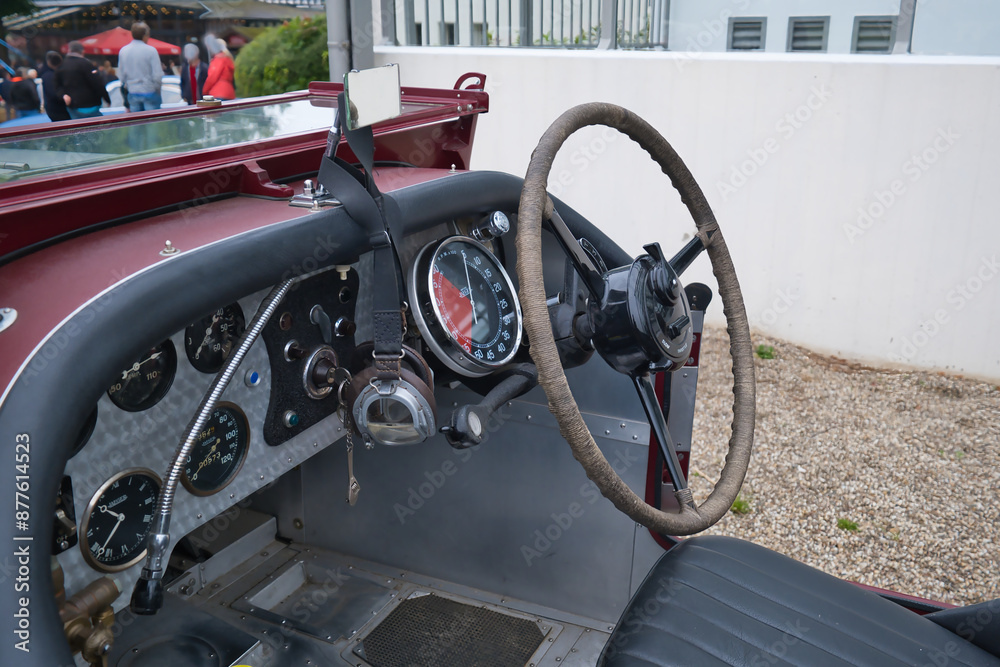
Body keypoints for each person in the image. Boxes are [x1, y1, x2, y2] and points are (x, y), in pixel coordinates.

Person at [55, 41, 110, 119]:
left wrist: (63, 95)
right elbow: (97, 84)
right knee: (96, 124)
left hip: (73, 104)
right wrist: (107, 99)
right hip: (91, 104)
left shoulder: (61, 66)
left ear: (69, 50)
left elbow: (57, 85)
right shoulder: (86, 64)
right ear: (82, 51)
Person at [117, 22, 163, 112]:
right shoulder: (151, 51)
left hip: (133, 91)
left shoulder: (123, 51)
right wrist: (157, 89)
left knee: (137, 120)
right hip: (149, 90)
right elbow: (157, 75)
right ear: (145, 35)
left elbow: (121, 76)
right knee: (153, 120)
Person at [39, 52, 70, 121]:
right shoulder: (66, 72)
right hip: (67, 107)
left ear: (48, 62)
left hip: (55, 109)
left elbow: (52, 93)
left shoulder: (46, 76)